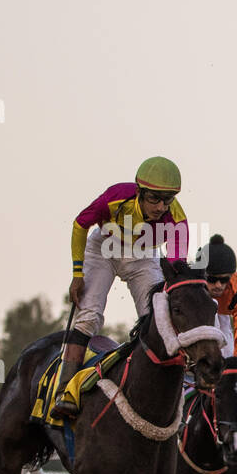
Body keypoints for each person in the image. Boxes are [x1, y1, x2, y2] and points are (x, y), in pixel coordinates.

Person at [51, 157, 188, 420]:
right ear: (139, 192)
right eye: (154, 199)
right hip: (104, 248)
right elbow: (80, 224)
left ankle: (163, 393)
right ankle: (66, 390)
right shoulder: (115, 197)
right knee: (89, 315)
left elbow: (176, 264)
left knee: (158, 318)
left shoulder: (177, 218)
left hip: (143, 254)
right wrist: (77, 273)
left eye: (167, 200)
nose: (161, 207)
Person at [197, 234, 237, 359]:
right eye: (211, 279)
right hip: (198, 312)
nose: (218, 285)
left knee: (227, 347)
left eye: (224, 280)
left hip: (223, 314)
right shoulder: (192, 285)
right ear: (201, 275)